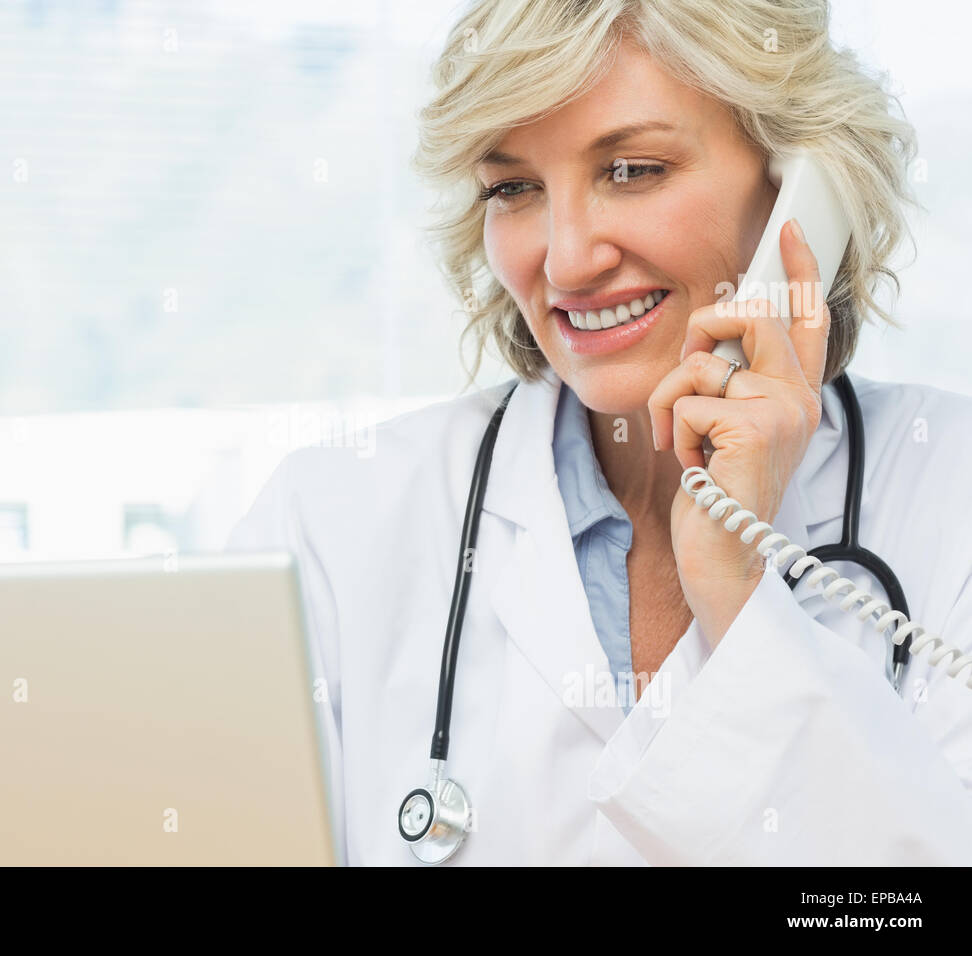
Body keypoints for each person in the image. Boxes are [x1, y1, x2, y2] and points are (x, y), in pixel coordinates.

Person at [226, 0, 972, 865]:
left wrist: (737, 589)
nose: (568, 260)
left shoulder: (949, 494)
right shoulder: (326, 522)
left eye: (632, 169)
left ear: (801, 183)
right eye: (513, 188)